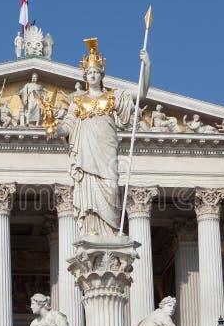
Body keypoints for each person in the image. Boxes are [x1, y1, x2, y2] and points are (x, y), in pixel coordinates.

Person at [49, 39, 150, 236]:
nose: (93, 75)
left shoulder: (113, 97)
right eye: (89, 73)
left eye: (96, 72)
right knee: (88, 193)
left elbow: (141, 93)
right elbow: (68, 125)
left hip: (106, 152)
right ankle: (92, 231)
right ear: (85, 76)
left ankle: (110, 233)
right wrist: (55, 129)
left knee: (111, 188)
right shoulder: (77, 101)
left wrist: (147, 66)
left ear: (102, 75)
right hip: (86, 156)